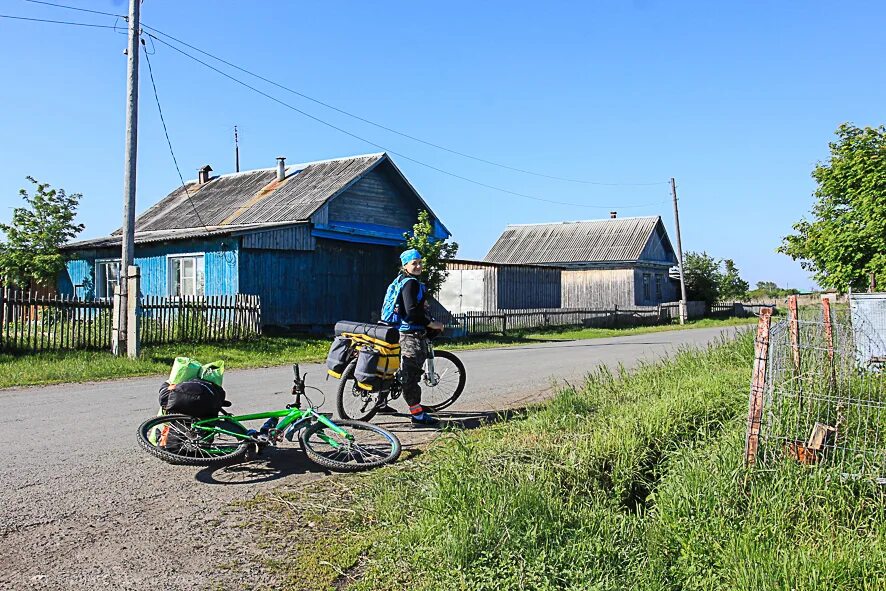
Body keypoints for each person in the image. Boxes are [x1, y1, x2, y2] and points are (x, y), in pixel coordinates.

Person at [380, 248, 445, 426]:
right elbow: (410, 313)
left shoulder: (399, 281)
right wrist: (431, 324)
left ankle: (381, 402)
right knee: (410, 375)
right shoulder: (411, 283)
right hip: (409, 334)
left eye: (420, 262)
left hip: (393, 330)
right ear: (405, 265)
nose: (418, 266)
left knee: (392, 367)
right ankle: (417, 415)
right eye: (414, 263)